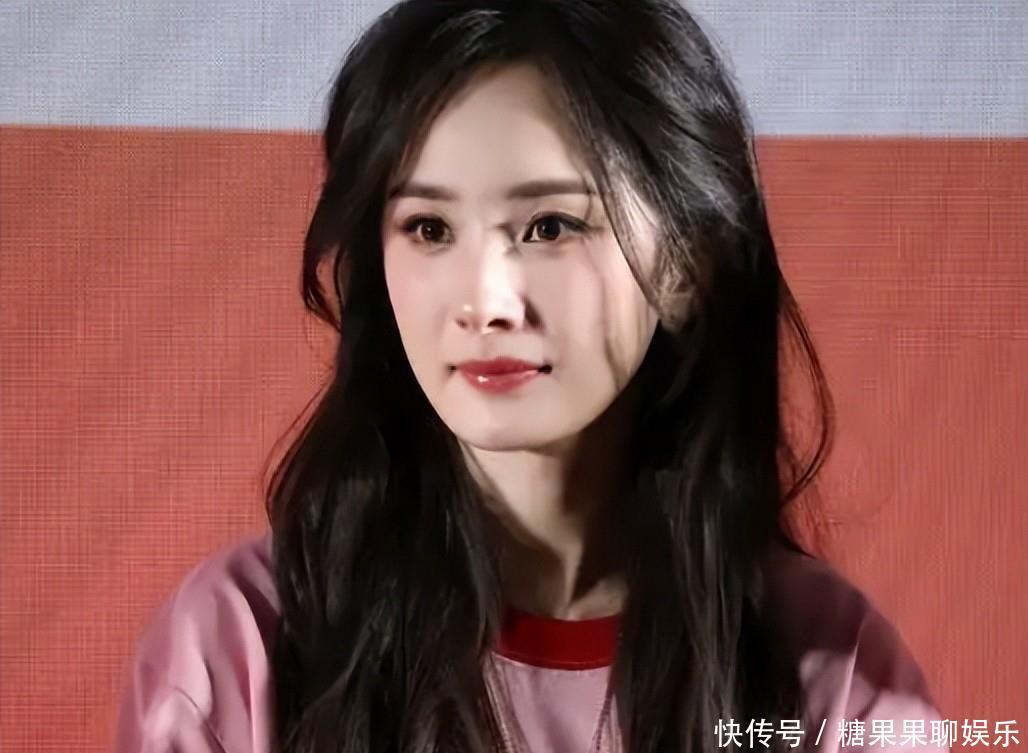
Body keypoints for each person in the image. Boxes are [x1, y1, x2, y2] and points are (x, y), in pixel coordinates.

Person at [111, 1, 949, 751]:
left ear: (687, 265)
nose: (485, 302)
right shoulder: (239, 650)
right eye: (428, 227)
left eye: (550, 225)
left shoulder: (832, 679)